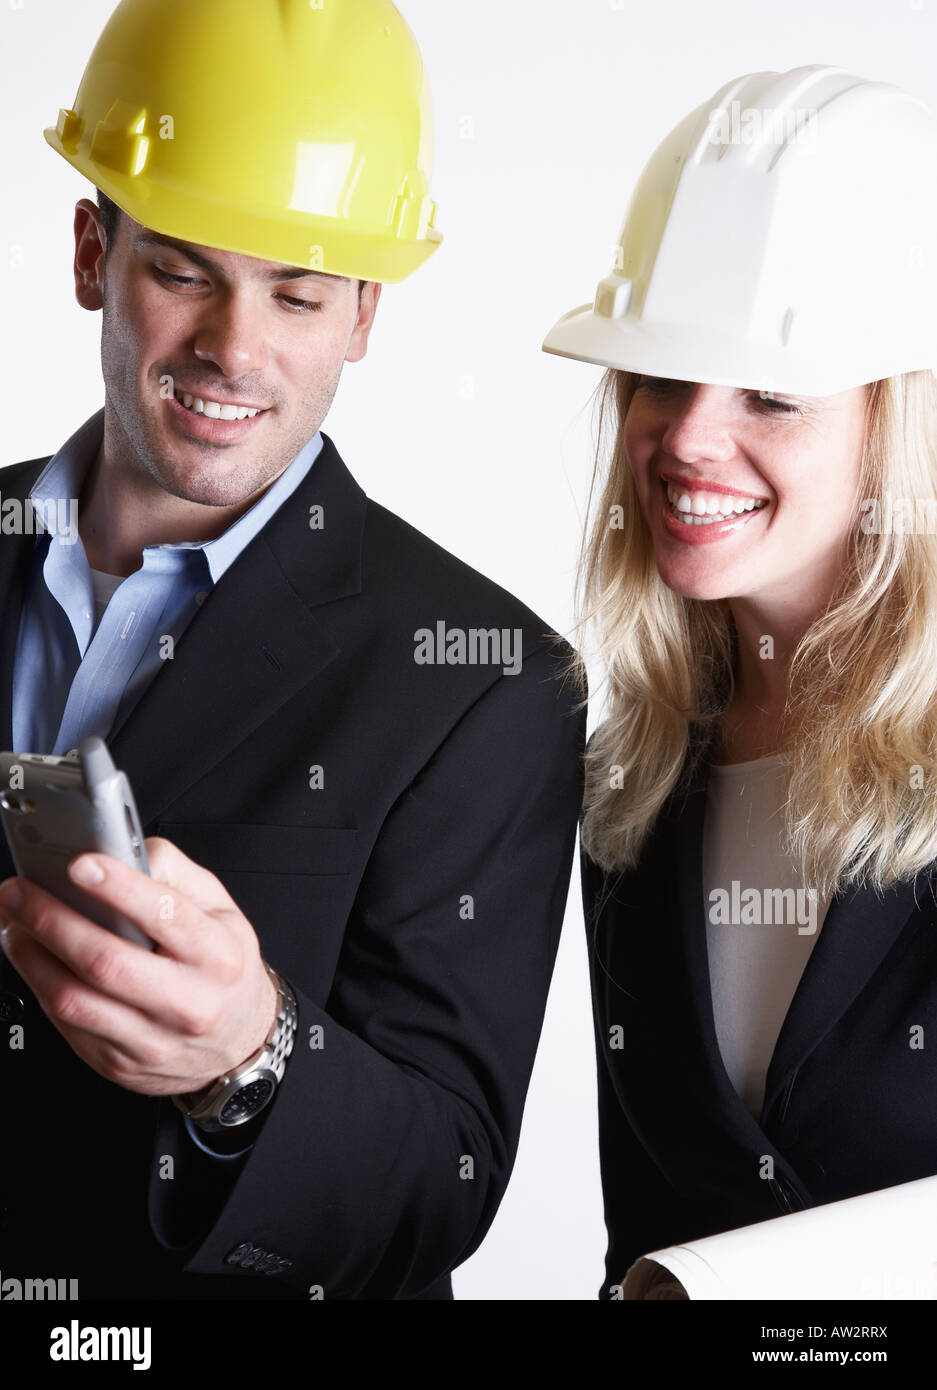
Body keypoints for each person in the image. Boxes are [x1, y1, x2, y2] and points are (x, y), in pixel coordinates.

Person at [0, 0, 585, 1301]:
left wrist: (249, 1056)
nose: (234, 349)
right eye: (186, 270)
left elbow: (448, 1175)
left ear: (364, 315)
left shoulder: (482, 680)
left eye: (300, 293)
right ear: (95, 248)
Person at [542, 63, 937, 1298]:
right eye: (662, 374)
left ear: (898, 422)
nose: (689, 438)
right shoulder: (633, 782)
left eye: (769, 393)